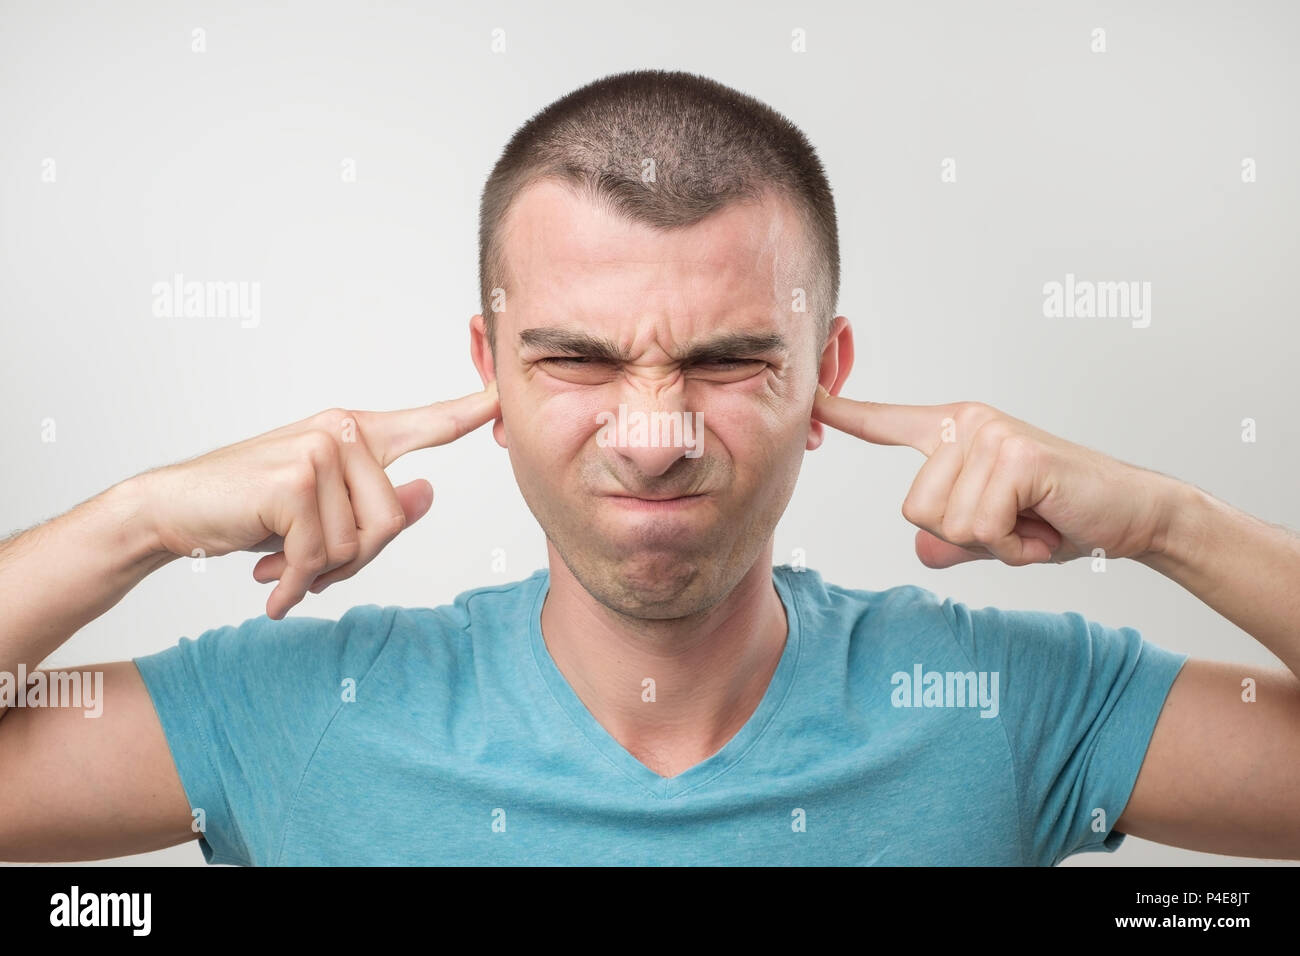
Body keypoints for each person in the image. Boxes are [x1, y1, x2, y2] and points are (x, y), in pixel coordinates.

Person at [2, 69, 1297, 866]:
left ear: (822, 379)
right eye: (576, 359)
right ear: (492, 369)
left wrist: (1169, 522)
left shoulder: (1010, 702)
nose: (655, 435)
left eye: (730, 361)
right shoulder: (290, 712)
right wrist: (141, 518)